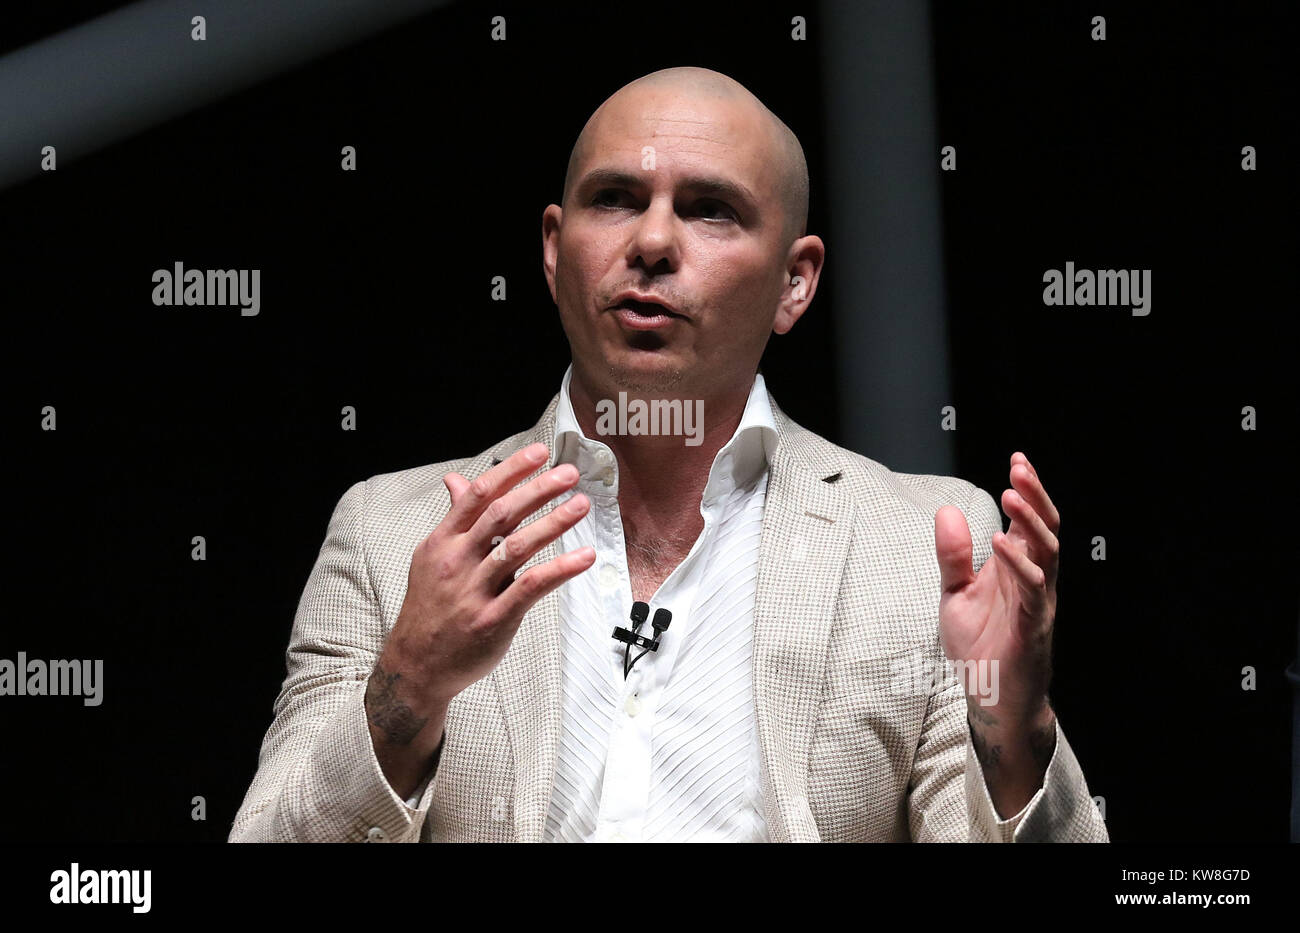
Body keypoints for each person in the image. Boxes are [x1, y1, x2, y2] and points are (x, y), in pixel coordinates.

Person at [229, 66, 1107, 843]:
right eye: (613, 199)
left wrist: (1015, 721)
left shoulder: (925, 543)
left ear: (794, 283)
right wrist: (408, 688)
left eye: (709, 210)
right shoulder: (393, 531)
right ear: (552, 249)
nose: (651, 243)